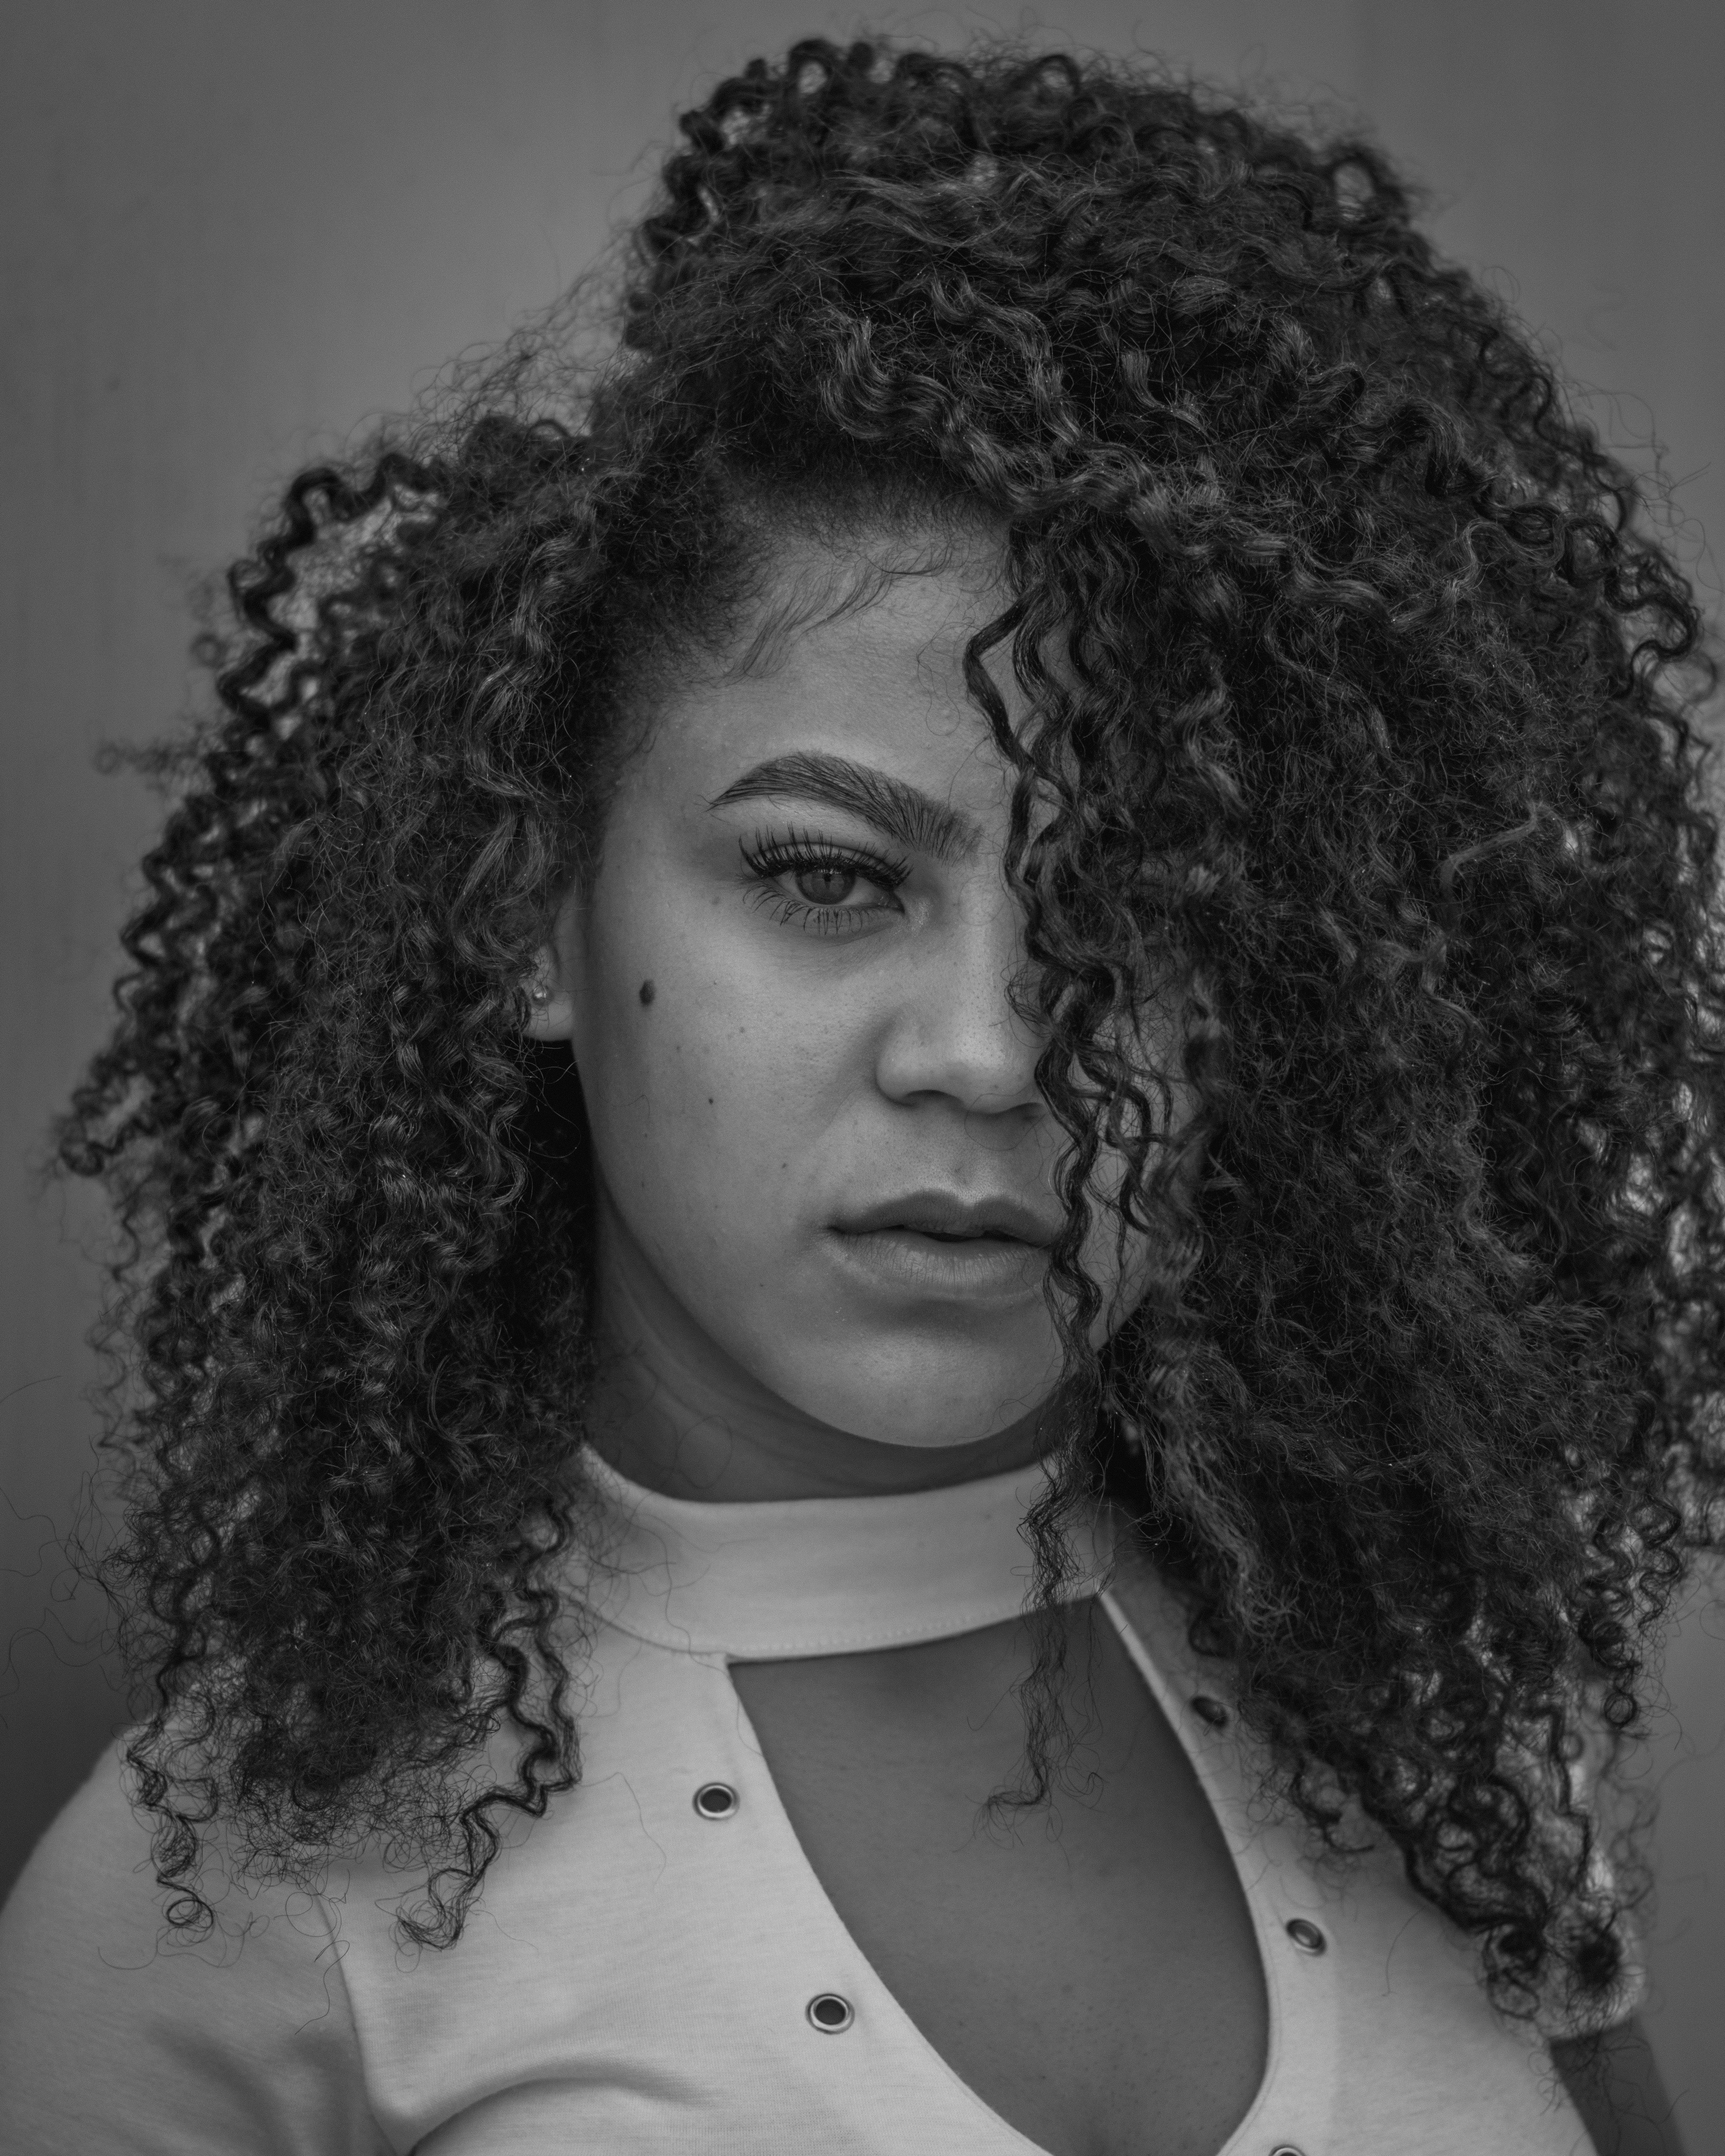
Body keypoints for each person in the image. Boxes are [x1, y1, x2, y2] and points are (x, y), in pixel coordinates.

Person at [0, 33, 1717, 2156]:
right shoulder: (227, 1916)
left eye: (1145, 917)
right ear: (523, 907)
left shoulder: (1432, 1731)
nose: (994, 1049)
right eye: (824, 876)